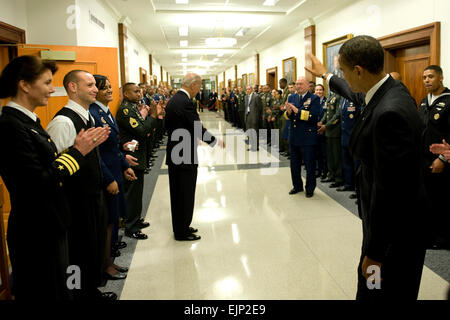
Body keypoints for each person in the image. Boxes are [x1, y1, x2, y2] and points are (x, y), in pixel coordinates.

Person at [306, 36, 427, 300]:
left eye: (344, 71)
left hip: (393, 238)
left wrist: (374, 254)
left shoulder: (389, 115)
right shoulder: (389, 89)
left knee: (376, 289)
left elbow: (389, 193)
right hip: (388, 229)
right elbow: (357, 94)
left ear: (358, 70)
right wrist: (325, 76)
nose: (344, 77)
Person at [0, 56, 108, 300]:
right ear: (25, 85)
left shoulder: (29, 122)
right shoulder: (11, 126)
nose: (52, 89)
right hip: (35, 229)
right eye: (47, 82)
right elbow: (39, 181)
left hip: (50, 222)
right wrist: (78, 152)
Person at [46, 69, 115, 300]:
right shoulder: (63, 122)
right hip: (74, 202)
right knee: (77, 254)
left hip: (93, 196)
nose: (96, 89)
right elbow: (55, 170)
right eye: (90, 85)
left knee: (92, 250)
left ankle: (89, 291)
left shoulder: (89, 117)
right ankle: (78, 295)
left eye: (95, 85)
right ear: (73, 87)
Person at [165, 73, 225, 241]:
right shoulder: (185, 102)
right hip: (183, 156)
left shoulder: (175, 99)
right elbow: (197, 127)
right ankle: (181, 232)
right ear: (193, 86)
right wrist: (215, 141)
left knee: (180, 193)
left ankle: (183, 225)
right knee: (184, 193)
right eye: (198, 87)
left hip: (178, 152)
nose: (198, 91)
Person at [89, 75, 136, 280]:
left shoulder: (104, 112)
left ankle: (109, 261)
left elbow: (114, 146)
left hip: (115, 168)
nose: (109, 90)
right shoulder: (93, 113)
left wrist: (124, 164)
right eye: (103, 87)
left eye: (110, 87)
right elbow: (97, 151)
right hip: (105, 174)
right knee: (107, 222)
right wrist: (109, 178)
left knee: (112, 220)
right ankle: (104, 265)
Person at [115, 83, 156, 240]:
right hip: (132, 156)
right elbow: (142, 130)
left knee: (137, 192)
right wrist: (152, 116)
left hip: (138, 153)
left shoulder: (133, 107)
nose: (140, 94)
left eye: (140, 91)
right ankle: (131, 226)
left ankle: (136, 220)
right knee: (133, 193)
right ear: (126, 94)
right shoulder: (126, 110)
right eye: (136, 91)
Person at [418, 65, 450, 249]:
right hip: (424, 160)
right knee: (428, 198)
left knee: (442, 199)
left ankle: (443, 238)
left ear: (441, 78)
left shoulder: (449, 101)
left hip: (442, 161)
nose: (427, 80)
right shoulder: (424, 101)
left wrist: (443, 159)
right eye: (424, 77)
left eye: (430, 76)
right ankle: (430, 234)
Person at [286, 77, 321, 198]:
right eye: (297, 84)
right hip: (294, 136)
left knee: (309, 165)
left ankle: (310, 188)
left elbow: (314, 116)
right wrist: (288, 112)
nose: (298, 86)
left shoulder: (314, 98)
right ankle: (297, 186)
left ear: (307, 85)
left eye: (301, 84)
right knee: (294, 165)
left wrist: (297, 111)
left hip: (307, 137)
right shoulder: (292, 97)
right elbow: (288, 116)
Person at [314, 84, 328, 179]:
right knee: (316, 152)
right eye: (317, 90)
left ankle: (324, 171)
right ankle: (318, 170)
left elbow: (328, 114)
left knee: (324, 152)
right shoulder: (312, 101)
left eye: (320, 90)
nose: (319, 92)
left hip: (323, 129)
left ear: (323, 91)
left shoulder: (327, 101)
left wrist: (322, 124)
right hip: (314, 129)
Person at [245, 85, 262, 151]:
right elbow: (246, 107)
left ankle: (256, 146)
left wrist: (258, 117)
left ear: (252, 89)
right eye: (247, 89)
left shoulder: (256, 96)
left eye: (249, 89)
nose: (248, 90)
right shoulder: (246, 97)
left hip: (254, 117)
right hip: (248, 115)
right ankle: (252, 145)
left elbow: (260, 107)